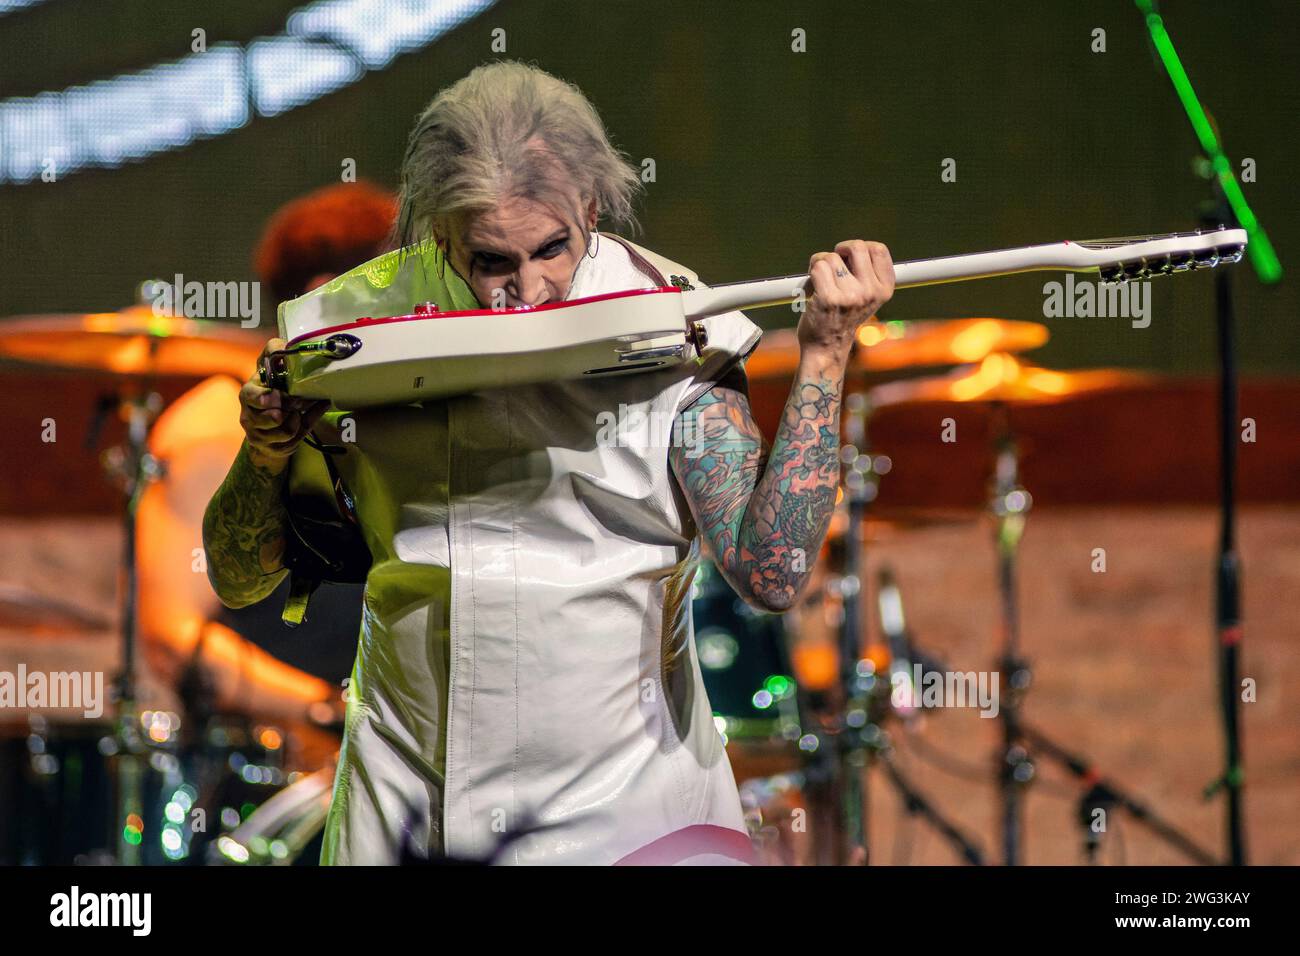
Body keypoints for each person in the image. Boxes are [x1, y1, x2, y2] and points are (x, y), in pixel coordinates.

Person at [202, 60, 894, 865]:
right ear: (435, 228)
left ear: (591, 209)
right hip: (404, 795)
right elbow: (239, 577)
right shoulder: (349, 328)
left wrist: (825, 354)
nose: (525, 291)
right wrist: (265, 451)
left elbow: (771, 575)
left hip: (630, 811)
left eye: (551, 250)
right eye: (491, 261)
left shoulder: (675, 325)